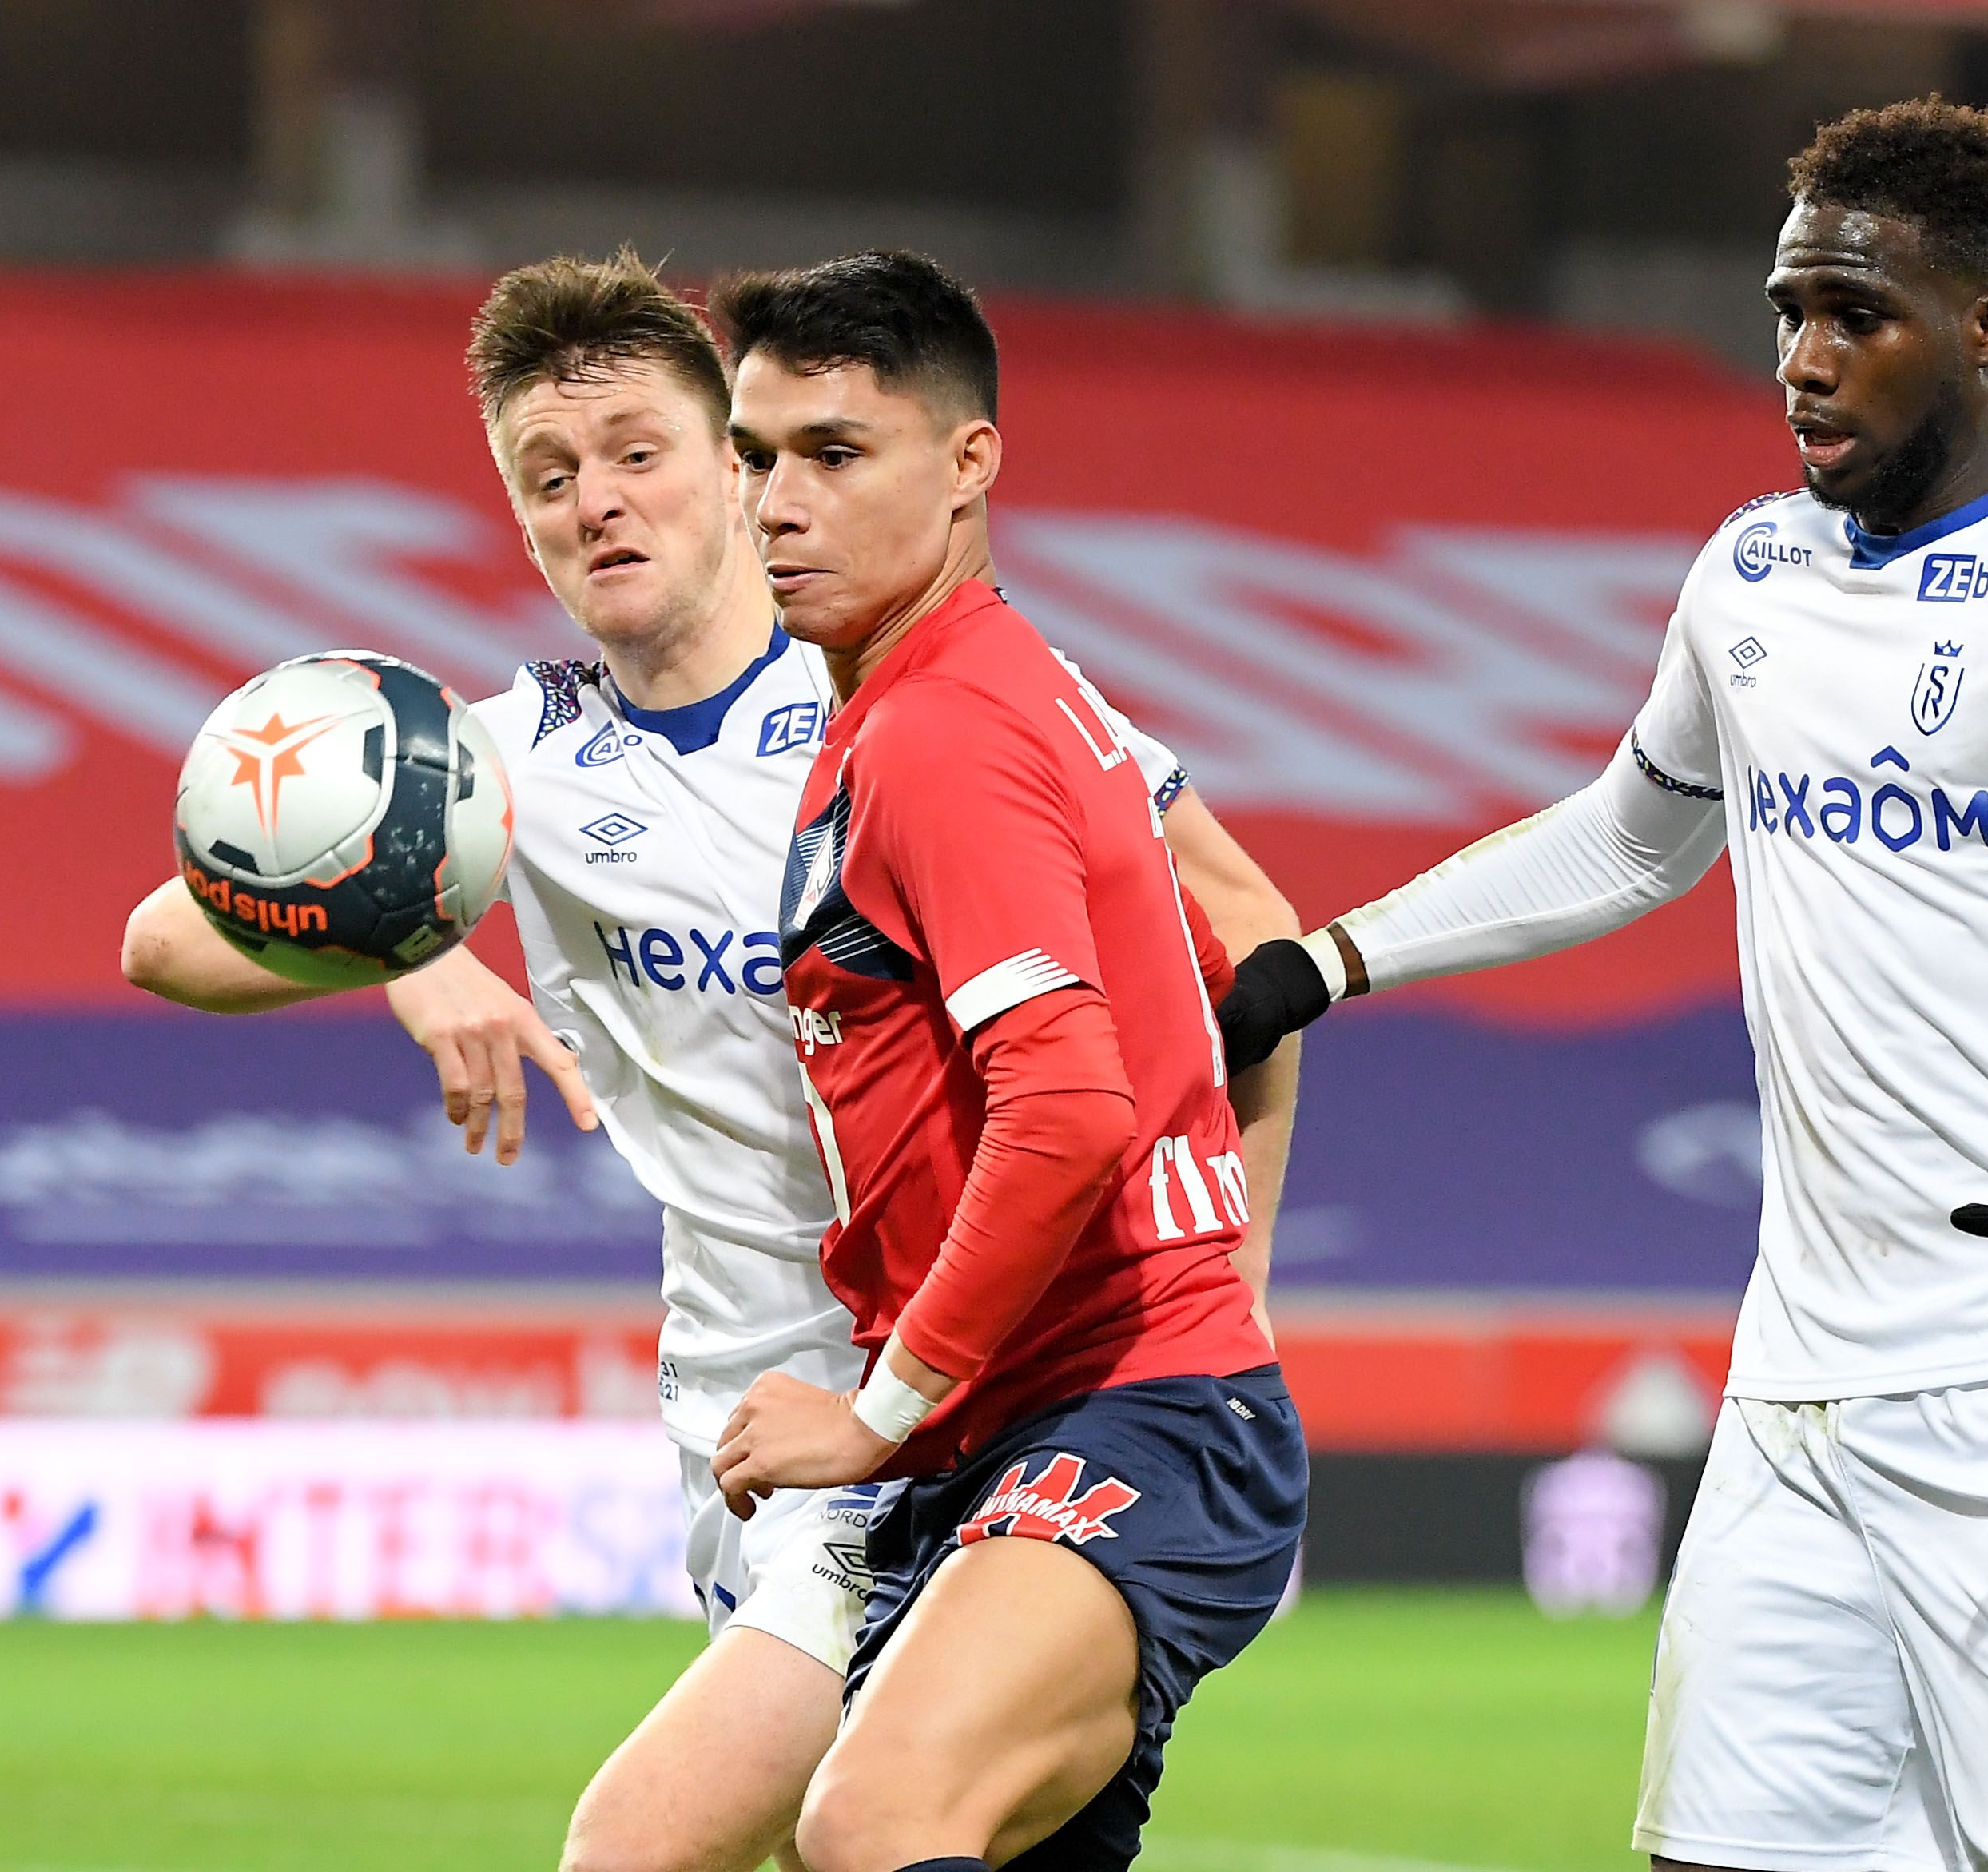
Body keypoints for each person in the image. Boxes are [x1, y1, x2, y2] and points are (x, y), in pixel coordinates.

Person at [1212, 99, 1988, 1872]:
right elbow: (1632, 840)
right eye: (1790, 311)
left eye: (1860, 315)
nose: (1804, 359)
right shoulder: (1752, 573)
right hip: (1800, 1389)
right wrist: (1327, 961)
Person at [120, 250, 1304, 1872]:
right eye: (549, 476)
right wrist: (418, 946)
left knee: (664, 1846)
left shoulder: (910, 701)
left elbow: (1251, 941)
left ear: (738, 474)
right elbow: (169, 937)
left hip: (940, 1394)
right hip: (748, 1424)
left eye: (641, 453)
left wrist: (1226, 1294)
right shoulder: (512, 765)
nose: (596, 502)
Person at [698, 252, 1306, 1872]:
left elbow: (1068, 1108)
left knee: (871, 1820)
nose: (775, 504)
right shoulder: (980, 686)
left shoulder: (942, 730)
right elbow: (1257, 974)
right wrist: (1233, 1268)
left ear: (969, 463)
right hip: (1052, 1414)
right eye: (754, 456)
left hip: (1119, 1412)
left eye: (835, 453)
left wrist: (876, 1411)